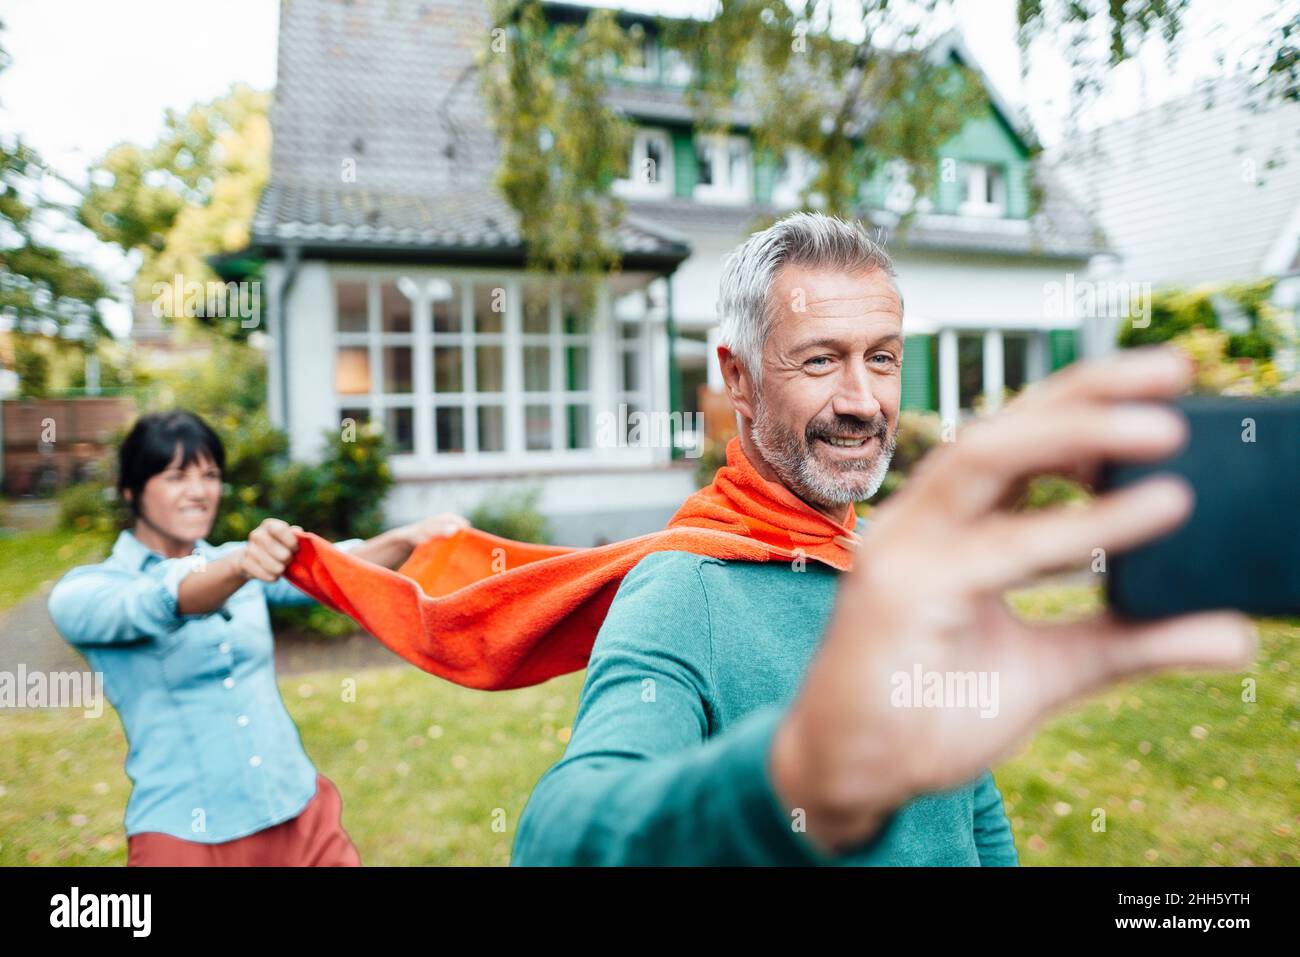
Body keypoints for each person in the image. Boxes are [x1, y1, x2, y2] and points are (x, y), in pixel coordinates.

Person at [511, 212, 1255, 865]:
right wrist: (805, 775)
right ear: (738, 380)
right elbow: (558, 839)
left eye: (882, 357)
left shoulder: (899, 574)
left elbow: (970, 815)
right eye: (820, 358)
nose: (862, 401)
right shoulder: (680, 588)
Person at [48, 410, 467, 866]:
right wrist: (241, 566)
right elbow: (162, 601)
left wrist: (409, 537)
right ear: (131, 490)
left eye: (210, 475)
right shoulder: (85, 593)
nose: (199, 491)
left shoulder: (237, 561)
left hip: (300, 813)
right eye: (176, 476)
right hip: (187, 837)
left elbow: (334, 571)